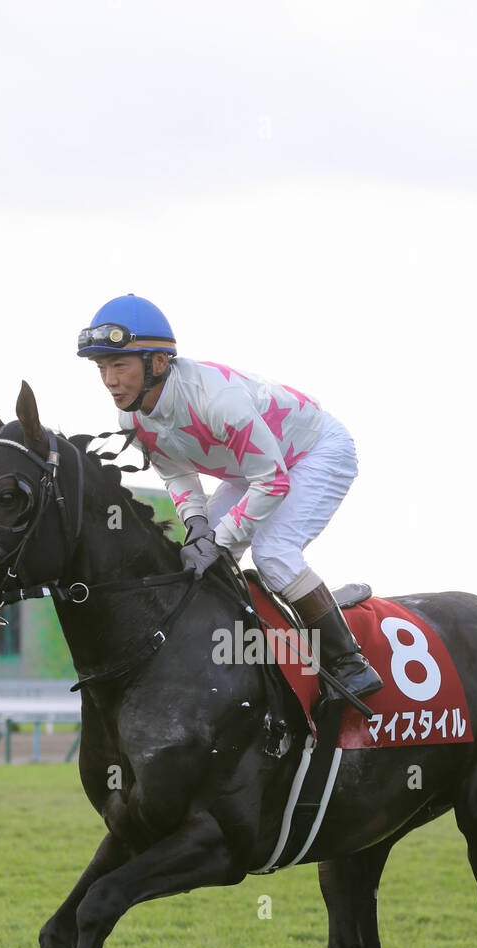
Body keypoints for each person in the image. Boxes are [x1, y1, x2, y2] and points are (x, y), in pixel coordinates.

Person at [77, 293, 383, 703]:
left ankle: (350, 662)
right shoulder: (132, 416)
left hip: (314, 453)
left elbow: (273, 481)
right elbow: (177, 473)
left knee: (271, 551)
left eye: (119, 365)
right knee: (194, 559)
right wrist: (199, 526)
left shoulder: (217, 402)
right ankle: (230, 655)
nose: (110, 381)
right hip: (252, 468)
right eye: (102, 368)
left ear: (158, 363)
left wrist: (219, 541)